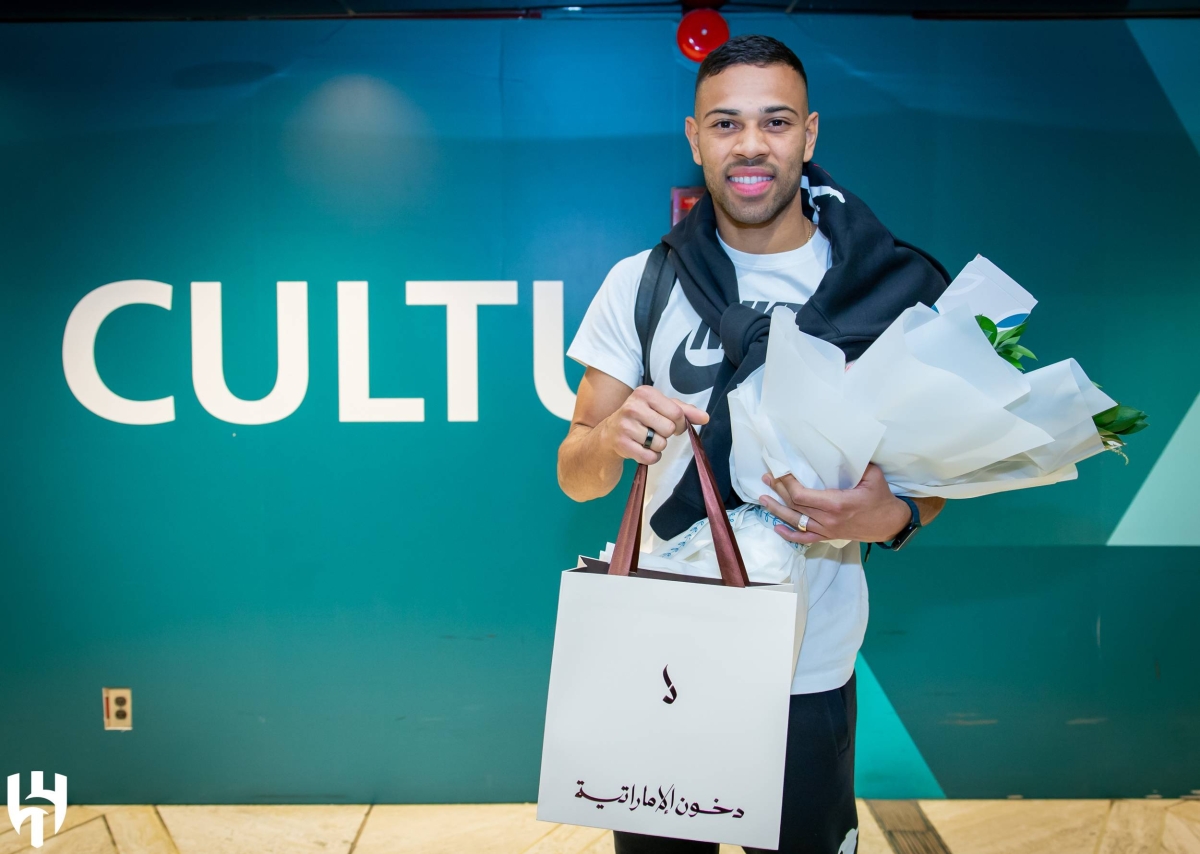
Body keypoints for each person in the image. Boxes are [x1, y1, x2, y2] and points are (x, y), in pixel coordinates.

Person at [557, 35, 948, 854]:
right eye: (726, 123)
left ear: (809, 134)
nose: (750, 145)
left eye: (775, 121)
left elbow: (932, 478)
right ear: (695, 138)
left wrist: (887, 516)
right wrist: (611, 438)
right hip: (665, 654)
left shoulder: (883, 287)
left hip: (810, 665)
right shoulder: (640, 282)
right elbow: (576, 476)